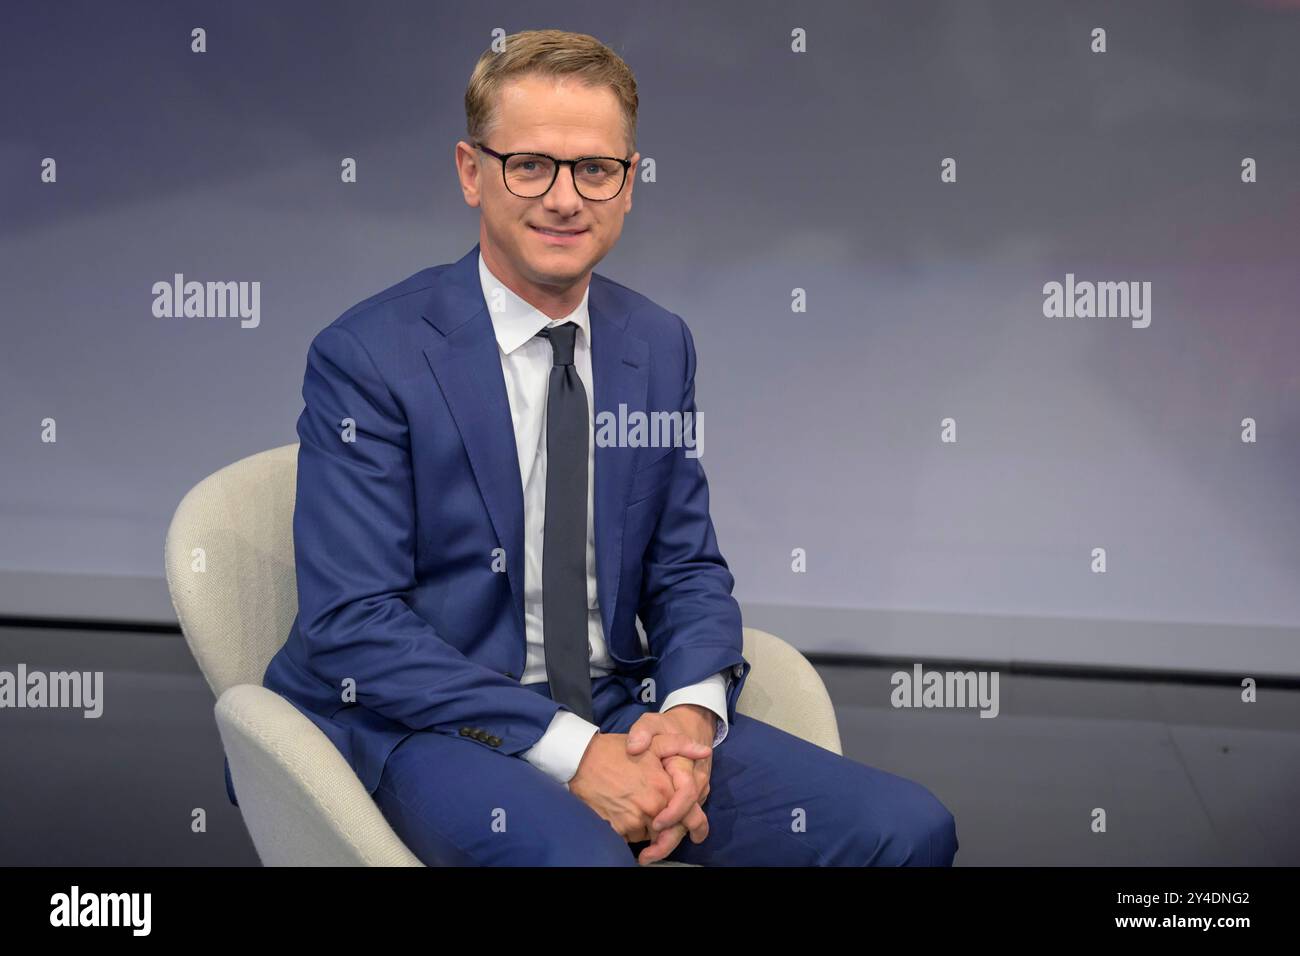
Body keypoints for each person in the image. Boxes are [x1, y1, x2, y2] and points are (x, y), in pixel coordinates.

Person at [256, 27, 958, 866]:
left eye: (595, 169)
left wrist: (689, 721)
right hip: (427, 724)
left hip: (622, 708)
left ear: (630, 185)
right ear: (471, 173)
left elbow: (686, 569)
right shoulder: (370, 355)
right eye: (530, 165)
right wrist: (573, 752)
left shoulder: (656, 344)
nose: (564, 198)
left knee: (906, 830)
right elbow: (352, 622)